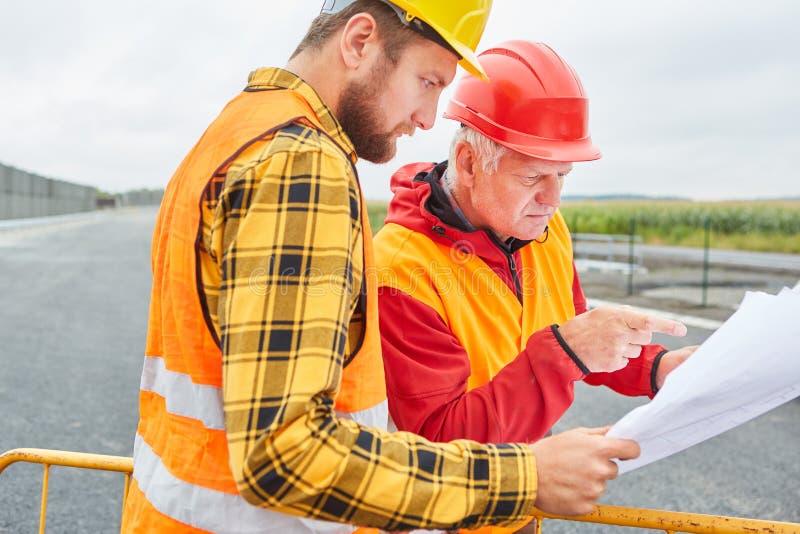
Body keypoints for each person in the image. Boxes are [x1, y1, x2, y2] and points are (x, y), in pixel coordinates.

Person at [121, 3, 644, 532]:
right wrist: (523, 479)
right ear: (360, 40)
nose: (428, 118)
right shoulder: (300, 166)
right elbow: (285, 455)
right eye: (427, 81)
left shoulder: (236, 131)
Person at [375, 41, 697, 450]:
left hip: (523, 500)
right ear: (469, 163)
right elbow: (440, 442)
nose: (553, 199)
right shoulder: (401, 271)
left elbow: (573, 324)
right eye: (533, 177)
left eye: (562, 175)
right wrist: (564, 352)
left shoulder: (543, 228)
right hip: (450, 510)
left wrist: (656, 368)